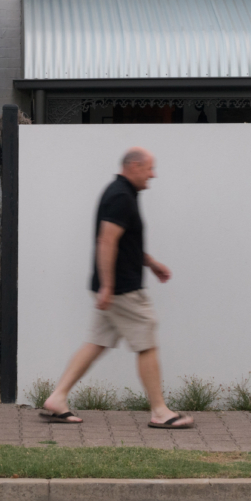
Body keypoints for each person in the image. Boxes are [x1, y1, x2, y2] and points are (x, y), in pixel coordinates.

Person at [40, 146, 194, 429]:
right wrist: (109, 286)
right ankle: (160, 411)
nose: (153, 175)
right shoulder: (121, 196)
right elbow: (107, 241)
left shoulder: (122, 193)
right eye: (150, 169)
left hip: (114, 287)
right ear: (133, 166)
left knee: (96, 342)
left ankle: (57, 398)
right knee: (146, 341)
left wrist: (151, 263)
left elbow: (126, 242)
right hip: (122, 288)